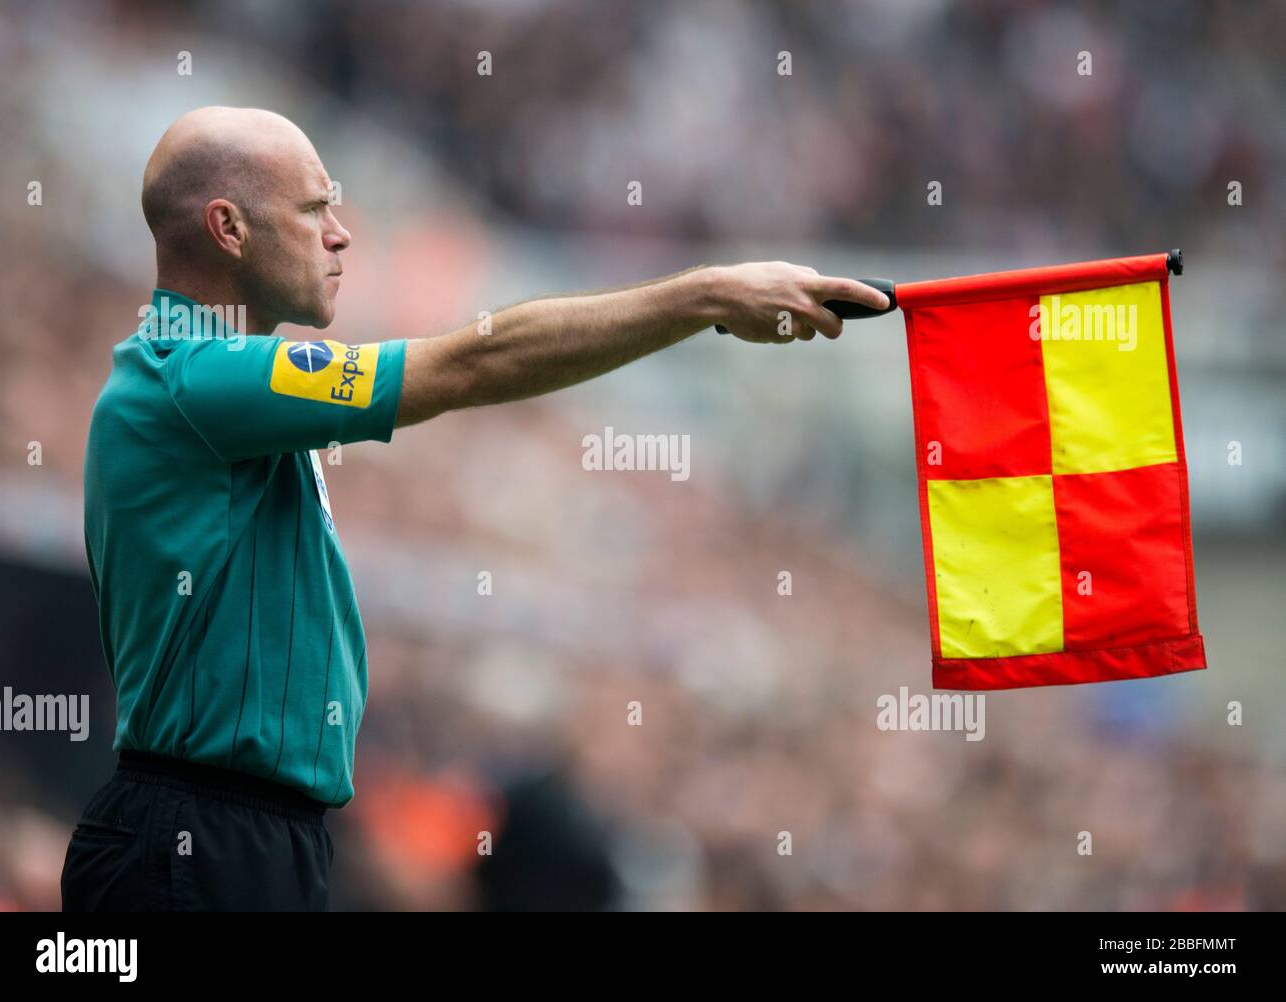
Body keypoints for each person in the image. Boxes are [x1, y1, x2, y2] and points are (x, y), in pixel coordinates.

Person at [60, 106, 888, 911]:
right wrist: (704, 296)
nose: (341, 234)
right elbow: (470, 364)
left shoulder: (217, 383)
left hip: (246, 837)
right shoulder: (194, 376)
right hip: (194, 841)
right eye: (314, 209)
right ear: (228, 227)